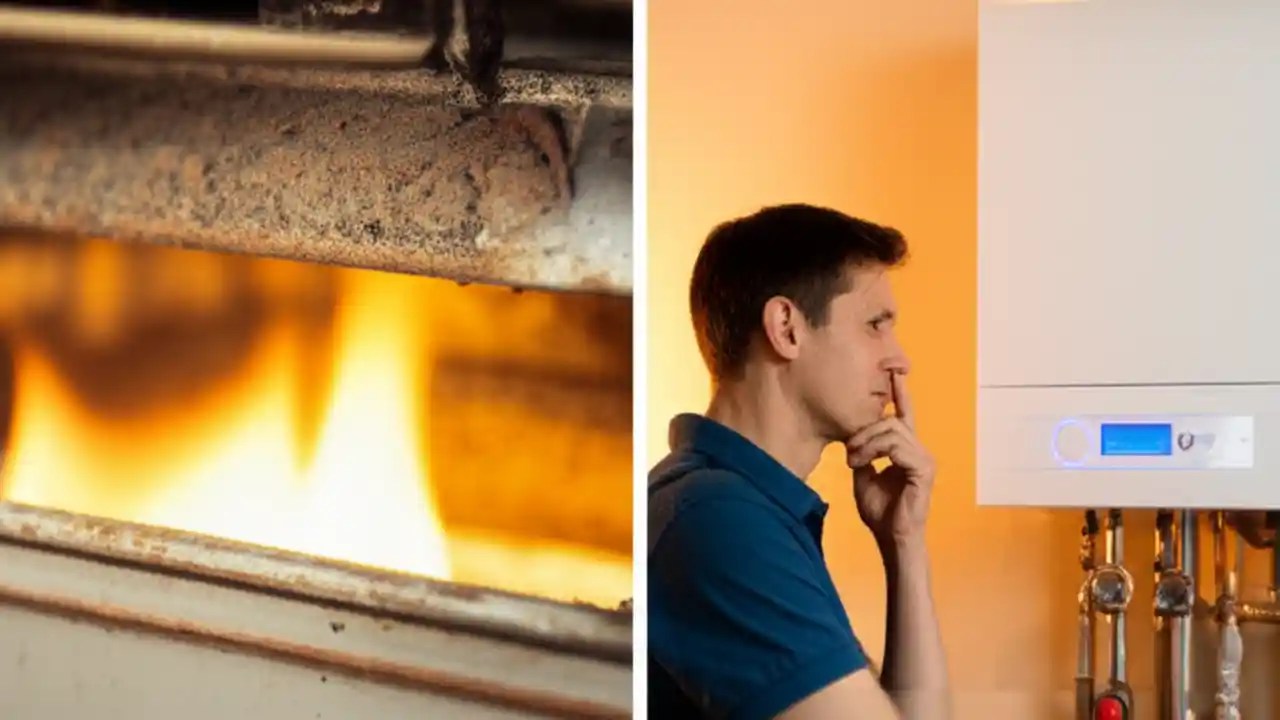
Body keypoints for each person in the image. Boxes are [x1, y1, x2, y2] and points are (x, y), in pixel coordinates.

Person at [648, 204, 951, 720]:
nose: (900, 358)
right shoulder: (720, 521)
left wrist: (905, 544)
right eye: (876, 325)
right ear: (786, 328)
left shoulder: (747, 509)